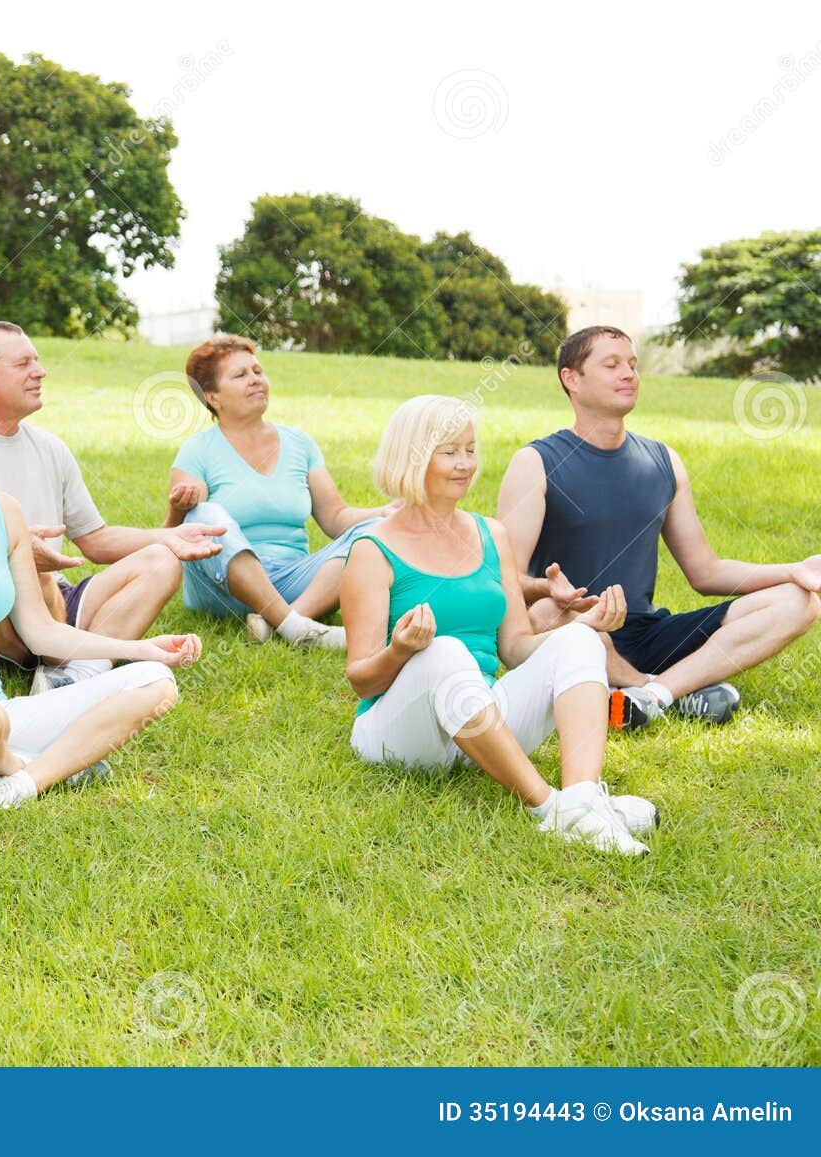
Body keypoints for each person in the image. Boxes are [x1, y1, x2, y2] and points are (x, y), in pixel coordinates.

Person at [0, 347, 202, 812]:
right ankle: (44, 762)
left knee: (155, 681)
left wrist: (141, 649)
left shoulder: (6, 511)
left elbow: (42, 630)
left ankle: (18, 784)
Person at [343, 396, 658, 856]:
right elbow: (360, 678)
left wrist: (583, 625)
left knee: (578, 638)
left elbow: (514, 647)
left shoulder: (492, 535)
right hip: (399, 734)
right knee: (444, 651)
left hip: (478, 722)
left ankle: (583, 798)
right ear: (411, 457)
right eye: (449, 451)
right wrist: (400, 650)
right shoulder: (373, 548)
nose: (465, 463)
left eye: (470, 450)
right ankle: (552, 809)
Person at [496, 326, 821, 729]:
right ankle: (670, 691)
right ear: (571, 379)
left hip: (648, 632)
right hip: (577, 629)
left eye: (632, 365)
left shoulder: (662, 460)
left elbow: (705, 572)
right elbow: (505, 579)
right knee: (544, 613)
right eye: (612, 364)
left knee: (799, 601)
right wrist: (550, 590)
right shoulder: (536, 462)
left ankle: (653, 694)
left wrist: (793, 571)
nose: (629, 374)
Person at [0, 322, 225, 694]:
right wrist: (13, 550)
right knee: (33, 570)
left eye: (38, 360)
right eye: (23, 364)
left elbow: (95, 540)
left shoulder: (51, 448)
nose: (40, 371)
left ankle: (75, 674)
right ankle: (70, 666)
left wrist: (168, 535)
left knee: (162, 561)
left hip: (56, 600)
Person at [167, 334, 397, 649]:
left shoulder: (299, 443)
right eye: (240, 375)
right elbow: (174, 540)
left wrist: (384, 514)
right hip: (224, 591)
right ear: (213, 397)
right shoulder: (197, 450)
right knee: (204, 515)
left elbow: (335, 517)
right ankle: (294, 626)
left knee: (375, 532)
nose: (255, 380)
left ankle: (283, 621)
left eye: (258, 371)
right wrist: (178, 510)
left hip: (295, 582)